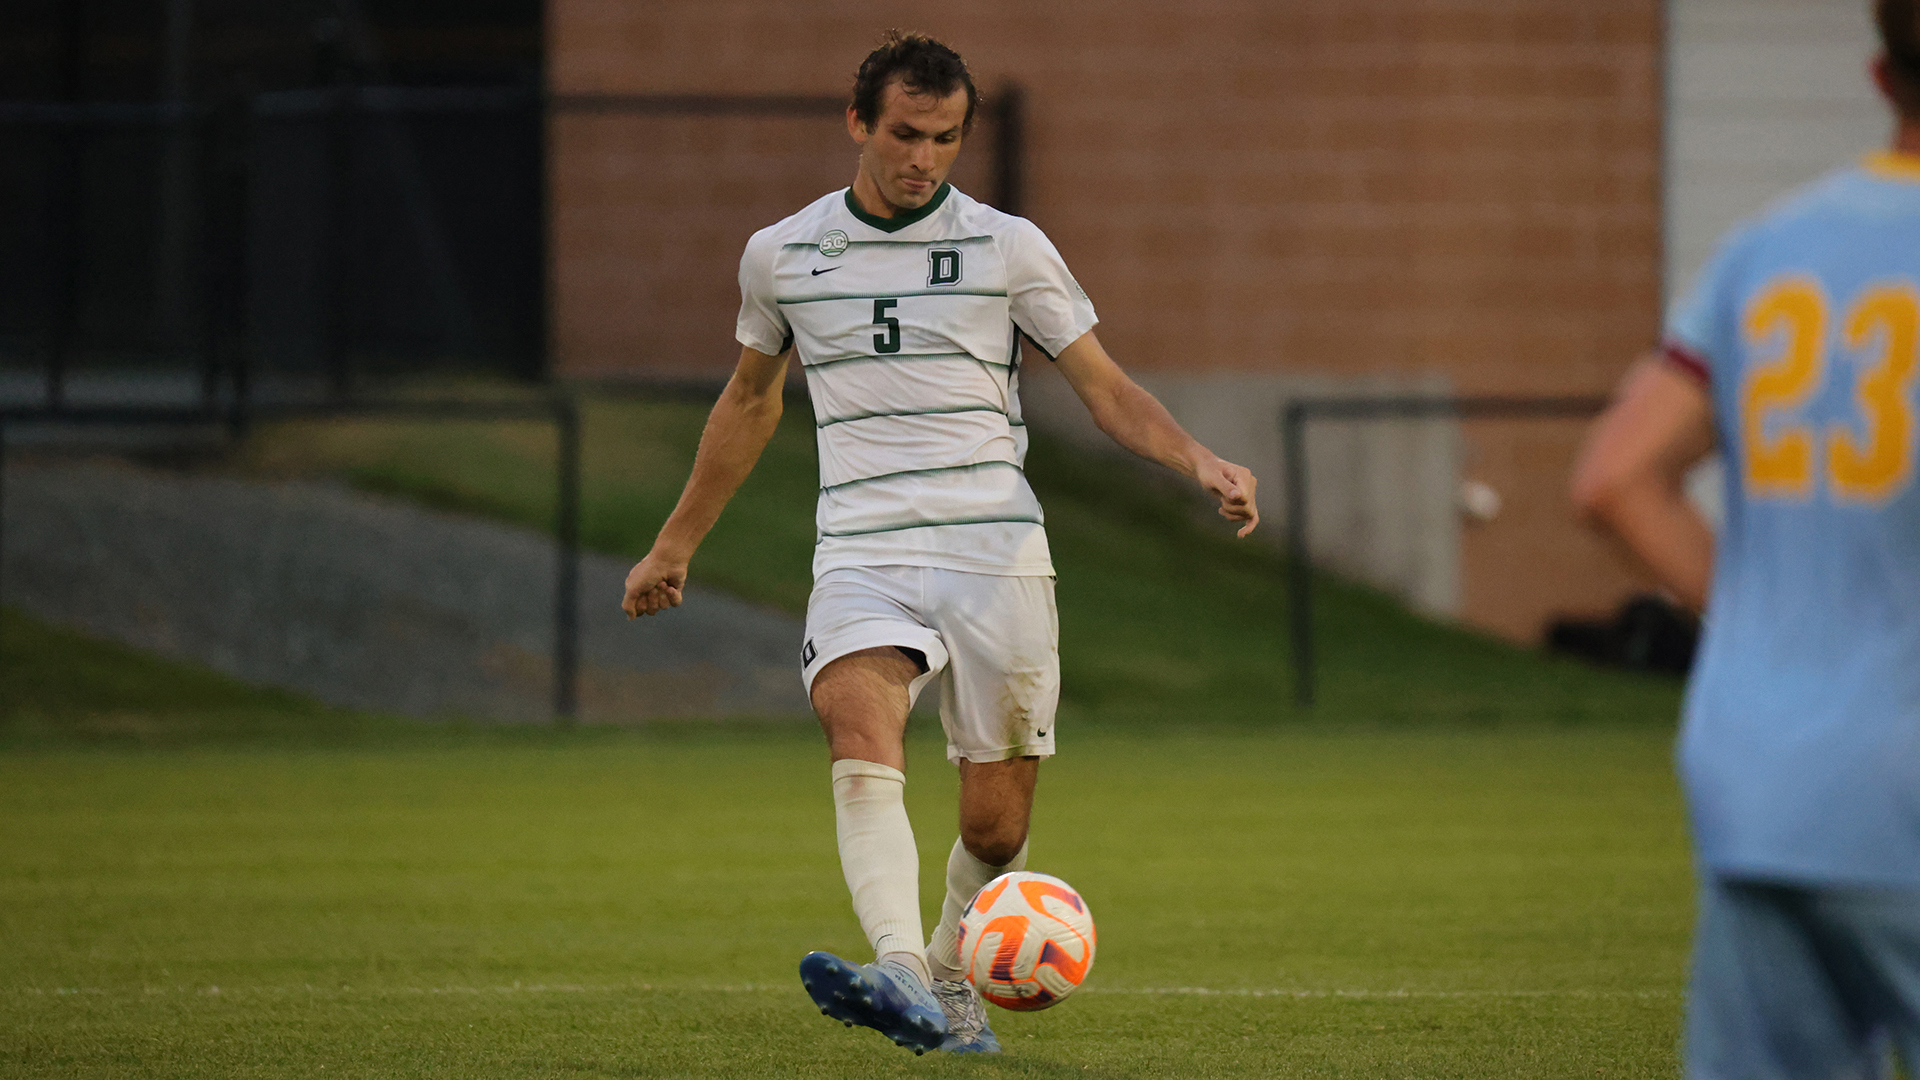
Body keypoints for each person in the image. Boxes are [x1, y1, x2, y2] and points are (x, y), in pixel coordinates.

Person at [621, 31, 1258, 1056]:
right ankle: (901, 972)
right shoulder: (782, 254)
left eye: (947, 138)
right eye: (907, 134)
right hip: (862, 546)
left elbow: (1104, 388)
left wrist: (1200, 461)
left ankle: (953, 974)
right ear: (858, 122)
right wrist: (674, 544)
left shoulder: (1009, 247)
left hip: (994, 553)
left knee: (996, 827)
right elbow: (749, 403)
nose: (925, 158)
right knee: (855, 722)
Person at [1571, 2, 1920, 1074]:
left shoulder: (1769, 250)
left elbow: (1617, 480)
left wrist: (1776, 631)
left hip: (1766, 783)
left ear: (1881, 76)